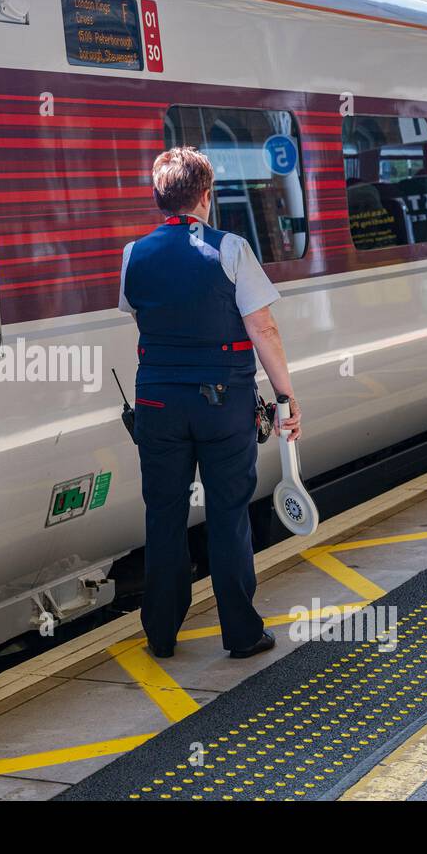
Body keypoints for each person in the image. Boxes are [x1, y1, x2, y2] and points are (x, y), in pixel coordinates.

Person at [119, 147, 301, 659]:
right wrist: (285, 396)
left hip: (157, 405)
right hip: (224, 404)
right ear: (206, 196)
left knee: (164, 516)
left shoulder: (134, 254)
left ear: (159, 197)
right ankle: (241, 634)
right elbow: (262, 327)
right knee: (227, 515)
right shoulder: (231, 249)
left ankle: (160, 633)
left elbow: (143, 317)